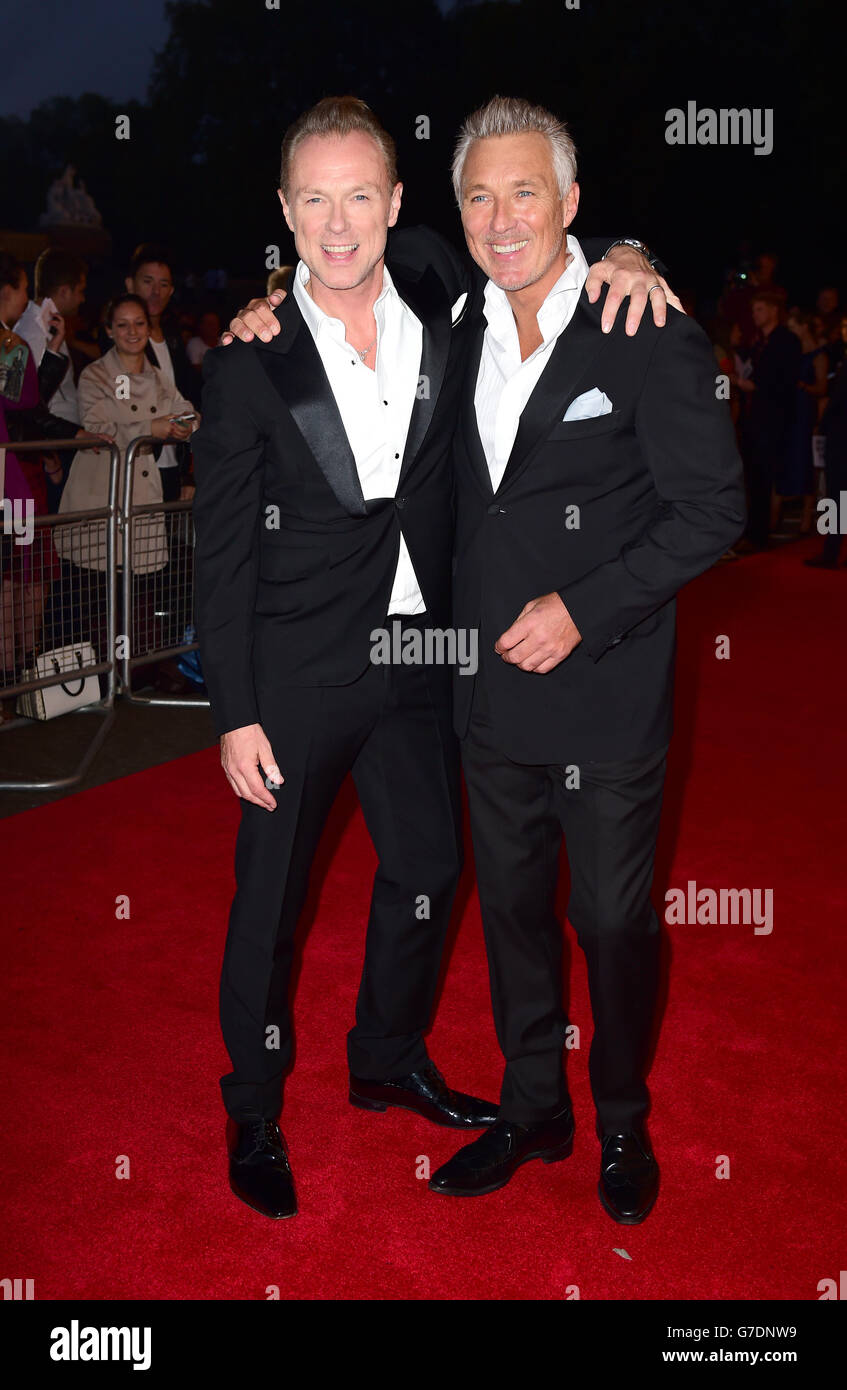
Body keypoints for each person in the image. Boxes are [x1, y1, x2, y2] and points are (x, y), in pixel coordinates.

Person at [198, 94, 671, 1221]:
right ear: (285, 212)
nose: (338, 222)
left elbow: (534, 239)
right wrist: (235, 710)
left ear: (396, 202)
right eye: (314, 201)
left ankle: (383, 1055)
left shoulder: (436, 292)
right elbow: (219, 551)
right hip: (297, 670)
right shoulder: (251, 360)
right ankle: (252, 1106)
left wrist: (632, 253)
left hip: (422, 656)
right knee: (270, 899)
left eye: (359, 195)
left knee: (427, 872)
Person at [416, 97, 745, 1223]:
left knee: (607, 919)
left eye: (524, 192)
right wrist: (270, 294)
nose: (501, 217)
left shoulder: (640, 324)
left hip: (606, 689)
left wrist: (584, 607)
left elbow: (713, 510)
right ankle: (532, 1106)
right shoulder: (452, 323)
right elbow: (341, 261)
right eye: (479, 195)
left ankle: (620, 1118)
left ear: (568, 202)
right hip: (488, 692)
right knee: (510, 912)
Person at [52, 294, 197, 676]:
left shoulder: (158, 377)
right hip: (102, 494)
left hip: (140, 494)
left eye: (139, 323)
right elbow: (97, 430)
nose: (132, 332)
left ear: (149, 328)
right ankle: (98, 677)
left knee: (140, 590)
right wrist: (153, 427)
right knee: (96, 593)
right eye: (123, 324)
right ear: (109, 331)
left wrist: (185, 425)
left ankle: (137, 672)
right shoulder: (96, 375)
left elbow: (186, 410)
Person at [123, 244, 197, 504]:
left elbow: (189, 397)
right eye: (148, 282)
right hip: (135, 462)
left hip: (173, 462)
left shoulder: (174, 337)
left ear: (171, 291)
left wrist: (189, 472)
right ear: (130, 284)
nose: (155, 292)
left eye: (163, 284)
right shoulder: (119, 340)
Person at [734, 290, 801, 549]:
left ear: (773, 310)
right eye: (754, 310)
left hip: (773, 419)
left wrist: (755, 386)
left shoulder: (786, 341)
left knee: (764, 476)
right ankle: (753, 531)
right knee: (753, 476)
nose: (755, 315)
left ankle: (759, 535)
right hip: (753, 417)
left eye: (760, 309)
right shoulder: (758, 342)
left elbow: (785, 381)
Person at [780, 309, 829, 533]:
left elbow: (822, 388)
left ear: (803, 327)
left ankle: (807, 519)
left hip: (807, 413)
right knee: (790, 459)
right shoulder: (793, 352)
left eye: (793, 327)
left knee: (808, 463)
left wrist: (803, 386)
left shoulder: (818, 355)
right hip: (791, 412)